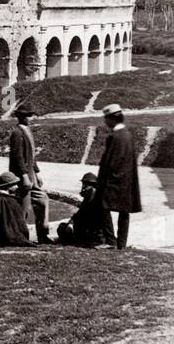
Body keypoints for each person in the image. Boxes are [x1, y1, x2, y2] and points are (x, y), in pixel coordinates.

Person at [96, 103, 141, 249]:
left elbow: (109, 162)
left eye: (106, 118)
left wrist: (102, 180)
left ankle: (111, 241)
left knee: (102, 206)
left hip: (113, 179)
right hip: (126, 179)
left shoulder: (114, 137)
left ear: (112, 119)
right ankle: (121, 243)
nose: (105, 122)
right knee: (124, 211)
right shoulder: (128, 135)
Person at [8, 102, 49, 243]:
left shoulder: (27, 131)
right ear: (22, 117)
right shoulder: (17, 132)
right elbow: (17, 156)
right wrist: (24, 175)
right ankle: (21, 238)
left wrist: (37, 172)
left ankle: (42, 235)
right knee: (24, 208)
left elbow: (31, 155)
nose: (32, 118)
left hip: (31, 174)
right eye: (29, 116)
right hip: (22, 176)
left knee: (43, 200)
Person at [56, 172, 117, 247]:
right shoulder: (94, 197)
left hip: (92, 234)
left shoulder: (92, 197)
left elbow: (82, 213)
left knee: (62, 228)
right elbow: (80, 213)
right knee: (63, 227)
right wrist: (71, 222)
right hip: (93, 233)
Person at [0, 171, 36, 247]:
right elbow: (19, 227)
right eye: (14, 184)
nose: (17, 187)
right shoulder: (11, 202)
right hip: (8, 240)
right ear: (9, 186)